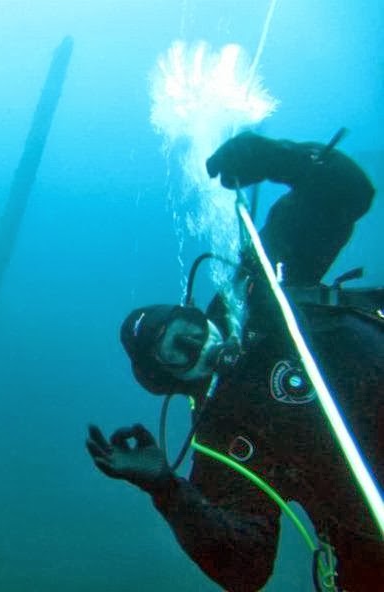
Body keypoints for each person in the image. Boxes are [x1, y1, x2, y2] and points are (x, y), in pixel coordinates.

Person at [86, 131, 383, 591]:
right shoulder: (223, 435)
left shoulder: (257, 287)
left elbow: (348, 192)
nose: (201, 346)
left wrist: (279, 157)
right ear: (171, 382)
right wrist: (167, 492)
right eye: (179, 354)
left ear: (195, 309)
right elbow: (246, 568)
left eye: (191, 328)